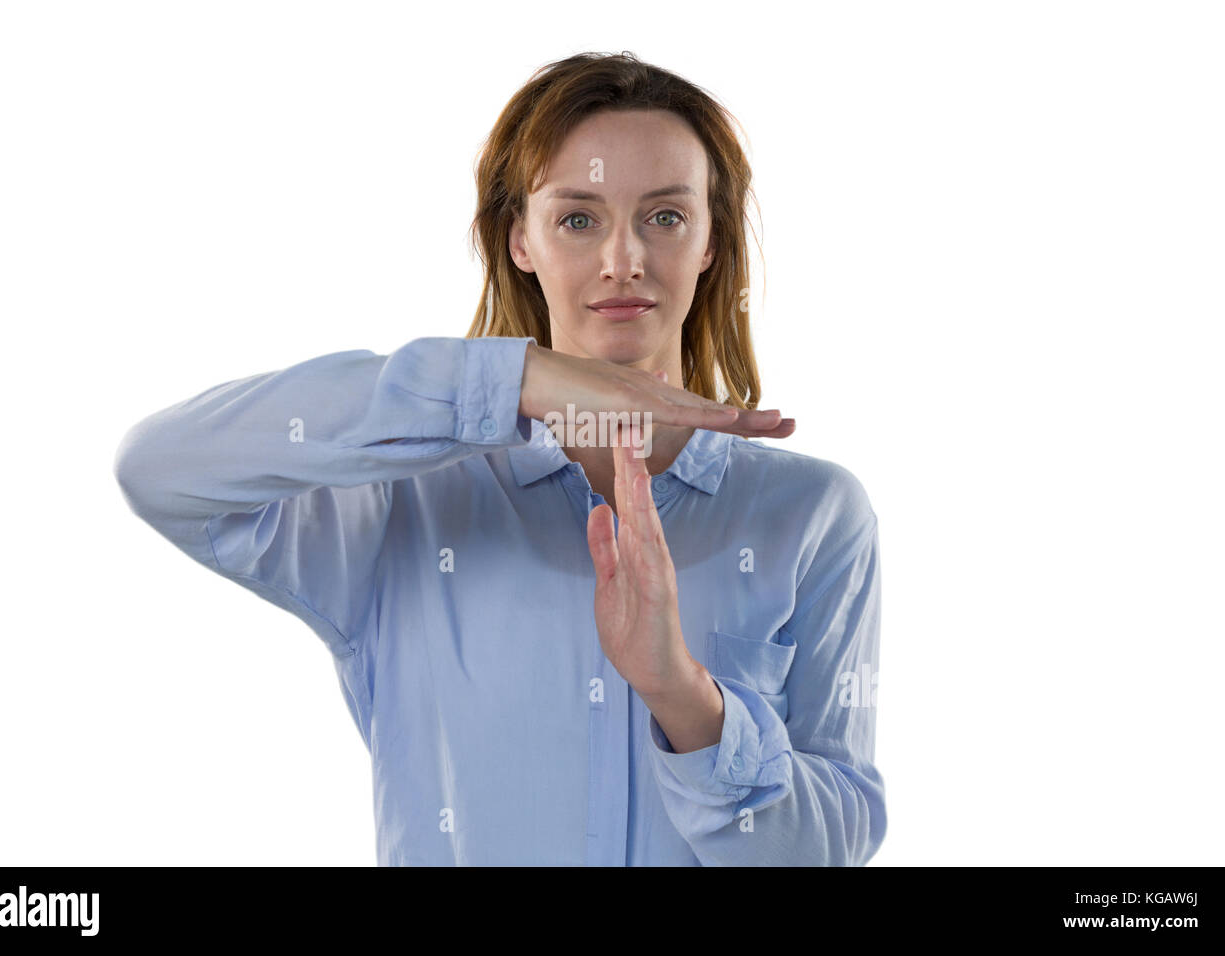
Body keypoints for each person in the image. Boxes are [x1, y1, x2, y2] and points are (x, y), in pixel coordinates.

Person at [113, 51, 886, 866]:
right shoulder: (405, 502)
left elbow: (829, 845)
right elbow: (160, 468)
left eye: (664, 216)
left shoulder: (813, 514)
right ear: (520, 238)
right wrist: (516, 377)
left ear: (710, 242)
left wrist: (685, 698)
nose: (623, 258)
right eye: (578, 218)